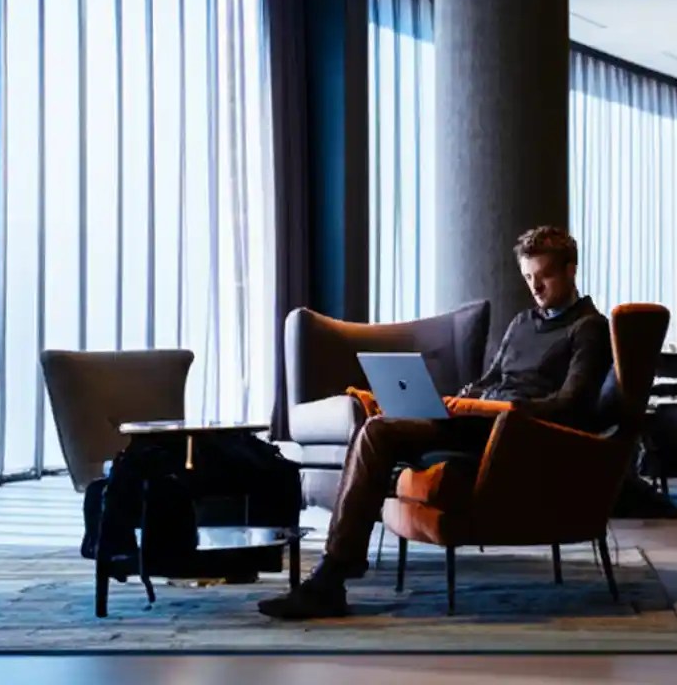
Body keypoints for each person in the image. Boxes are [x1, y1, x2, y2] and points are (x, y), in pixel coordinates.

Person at [258, 225, 617, 620]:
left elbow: (570, 406)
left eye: (544, 276)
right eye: (528, 277)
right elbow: (489, 380)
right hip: (477, 422)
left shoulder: (589, 328)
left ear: (570, 270)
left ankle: (331, 578)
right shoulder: (522, 323)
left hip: (514, 435)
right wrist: (465, 398)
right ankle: (334, 572)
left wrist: (507, 408)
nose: (535, 287)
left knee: (380, 433)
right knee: (377, 425)